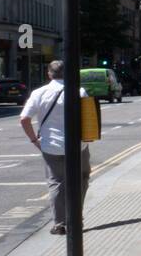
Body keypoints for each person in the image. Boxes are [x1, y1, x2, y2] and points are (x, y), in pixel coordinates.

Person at [19, 61, 90, 236]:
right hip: (77, 145)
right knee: (81, 179)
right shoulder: (79, 92)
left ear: (49, 74)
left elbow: (24, 119)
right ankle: (75, 218)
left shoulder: (39, 93)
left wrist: (34, 140)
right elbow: (89, 118)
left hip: (50, 146)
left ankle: (60, 224)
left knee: (56, 183)